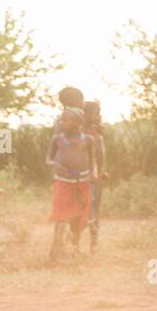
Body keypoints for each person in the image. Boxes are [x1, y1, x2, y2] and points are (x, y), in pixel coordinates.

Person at [46, 107, 98, 260]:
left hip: (82, 181)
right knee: (60, 216)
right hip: (63, 182)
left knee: (79, 217)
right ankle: (55, 249)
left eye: (65, 120)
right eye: (61, 119)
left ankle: (76, 248)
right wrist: (56, 165)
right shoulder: (57, 139)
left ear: (77, 122)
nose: (62, 122)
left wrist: (93, 173)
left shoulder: (88, 139)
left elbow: (92, 159)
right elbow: (48, 158)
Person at [81, 101, 106, 251]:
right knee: (87, 209)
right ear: (87, 115)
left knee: (95, 209)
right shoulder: (82, 133)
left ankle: (93, 243)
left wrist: (103, 169)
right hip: (87, 176)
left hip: (99, 177)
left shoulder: (98, 131)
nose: (99, 115)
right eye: (96, 112)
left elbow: (101, 153)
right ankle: (75, 241)